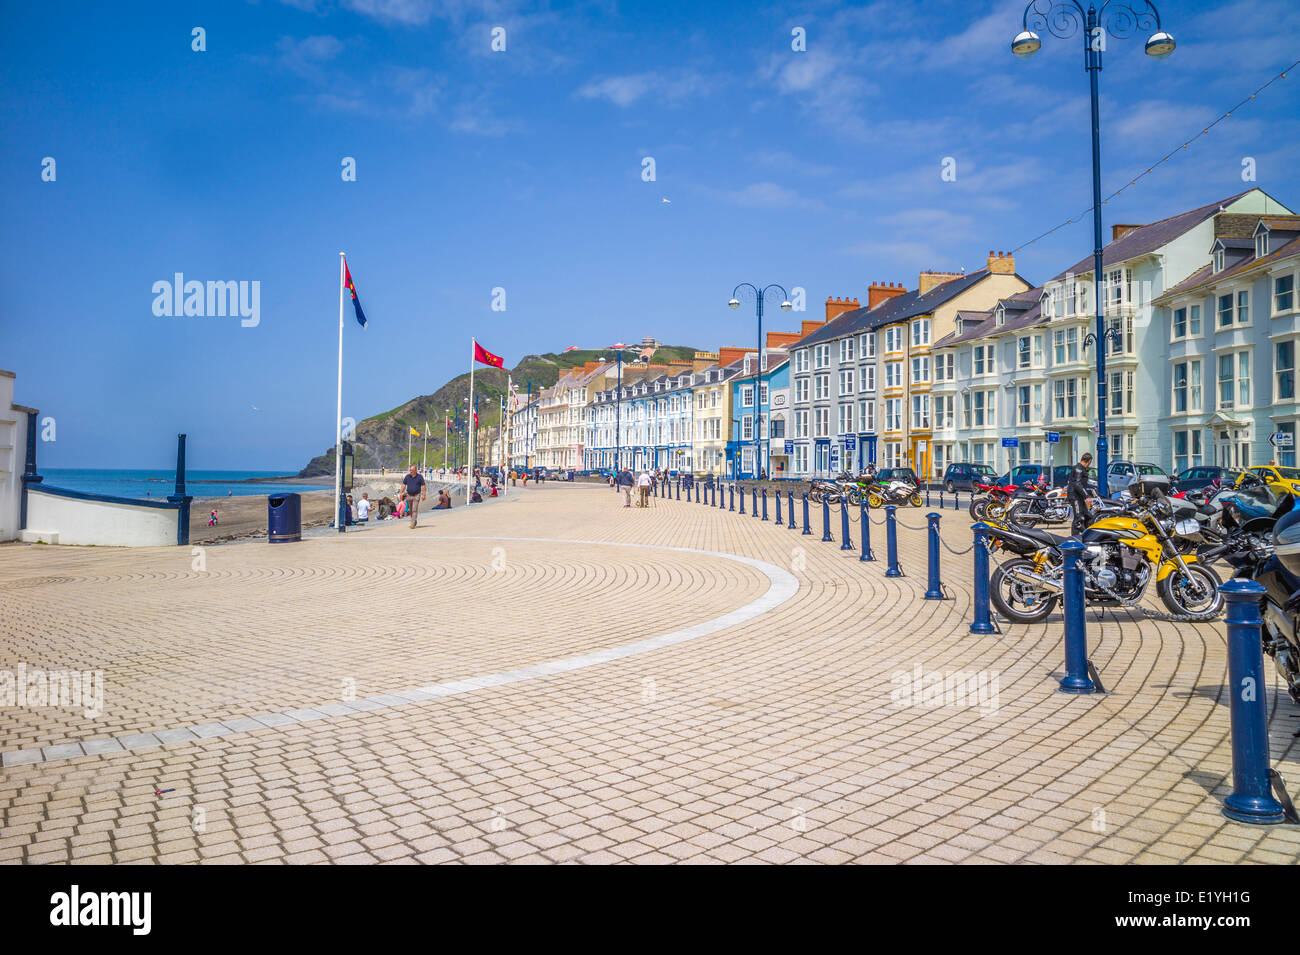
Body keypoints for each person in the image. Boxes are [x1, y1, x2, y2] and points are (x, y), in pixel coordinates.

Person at [1068, 452, 1094, 536]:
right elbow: (1077, 484)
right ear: (1089, 461)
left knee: (1087, 516)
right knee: (1079, 518)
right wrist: (1087, 496)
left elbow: (1082, 484)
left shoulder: (1081, 468)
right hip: (1075, 496)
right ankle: (1076, 538)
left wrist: (1089, 493)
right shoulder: (1078, 469)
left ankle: (1089, 536)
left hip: (1079, 496)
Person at [402, 465, 427, 529]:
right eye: (410, 470)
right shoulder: (407, 477)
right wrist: (401, 492)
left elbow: (423, 486)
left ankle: (412, 523)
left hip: (417, 495)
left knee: (414, 509)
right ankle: (414, 520)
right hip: (409, 495)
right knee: (410, 510)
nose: (410, 471)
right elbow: (404, 484)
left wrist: (424, 494)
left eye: (412, 470)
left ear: (415, 470)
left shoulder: (419, 477)